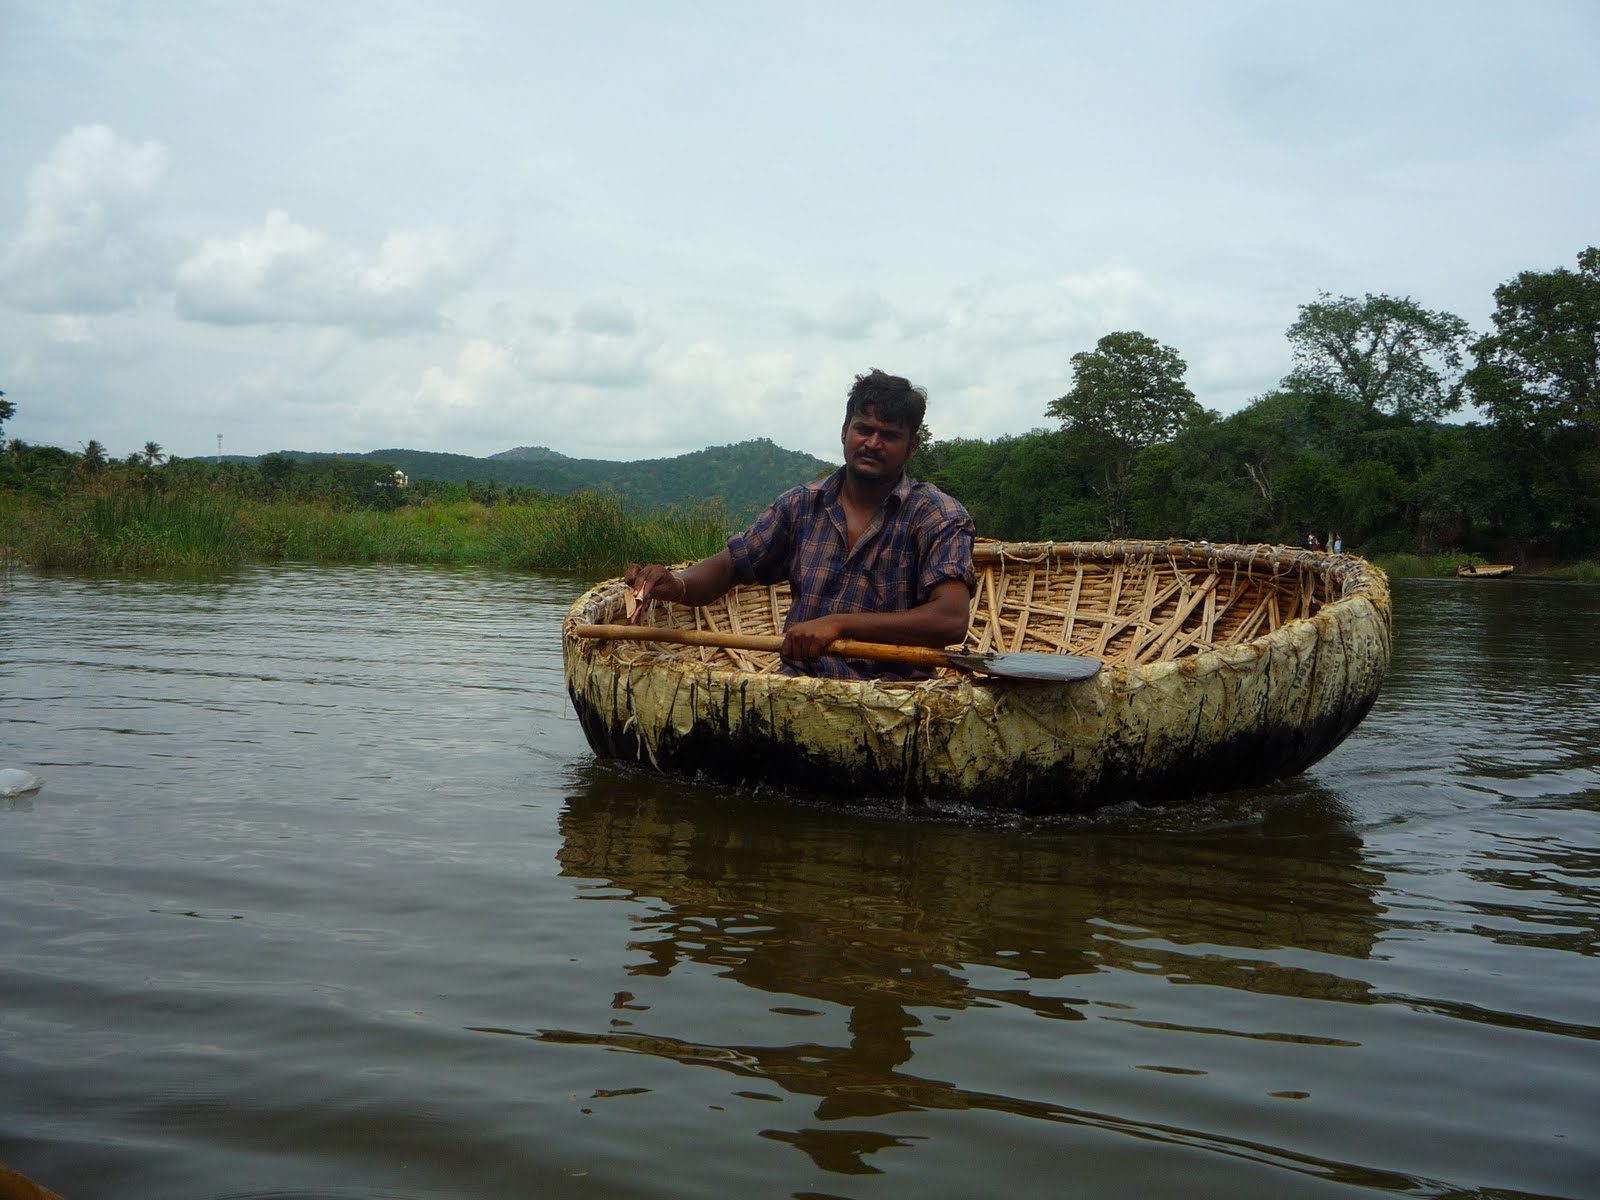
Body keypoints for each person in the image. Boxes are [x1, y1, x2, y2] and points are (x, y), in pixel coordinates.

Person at [625, 369, 976, 679]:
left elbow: (949, 620)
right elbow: (733, 565)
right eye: (863, 429)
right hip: (798, 685)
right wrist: (678, 586)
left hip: (896, 698)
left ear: (912, 446)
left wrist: (838, 624)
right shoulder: (800, 505)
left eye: (889, 435)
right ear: (844, 432)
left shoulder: (938, 516)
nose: (872, 443)